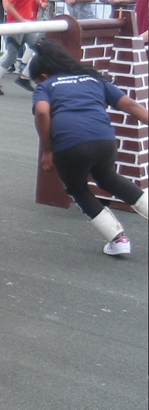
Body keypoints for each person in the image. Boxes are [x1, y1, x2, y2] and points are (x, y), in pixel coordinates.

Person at [31, 38, 148, 255]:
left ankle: (118, 240)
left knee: (77, 188)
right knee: (109, 178)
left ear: (44, 76)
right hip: (105, 139)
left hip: (70, 144)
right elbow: (130, 104)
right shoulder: (92, 78)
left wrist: (47, 150)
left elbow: (42, 111)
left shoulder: (46, 86)